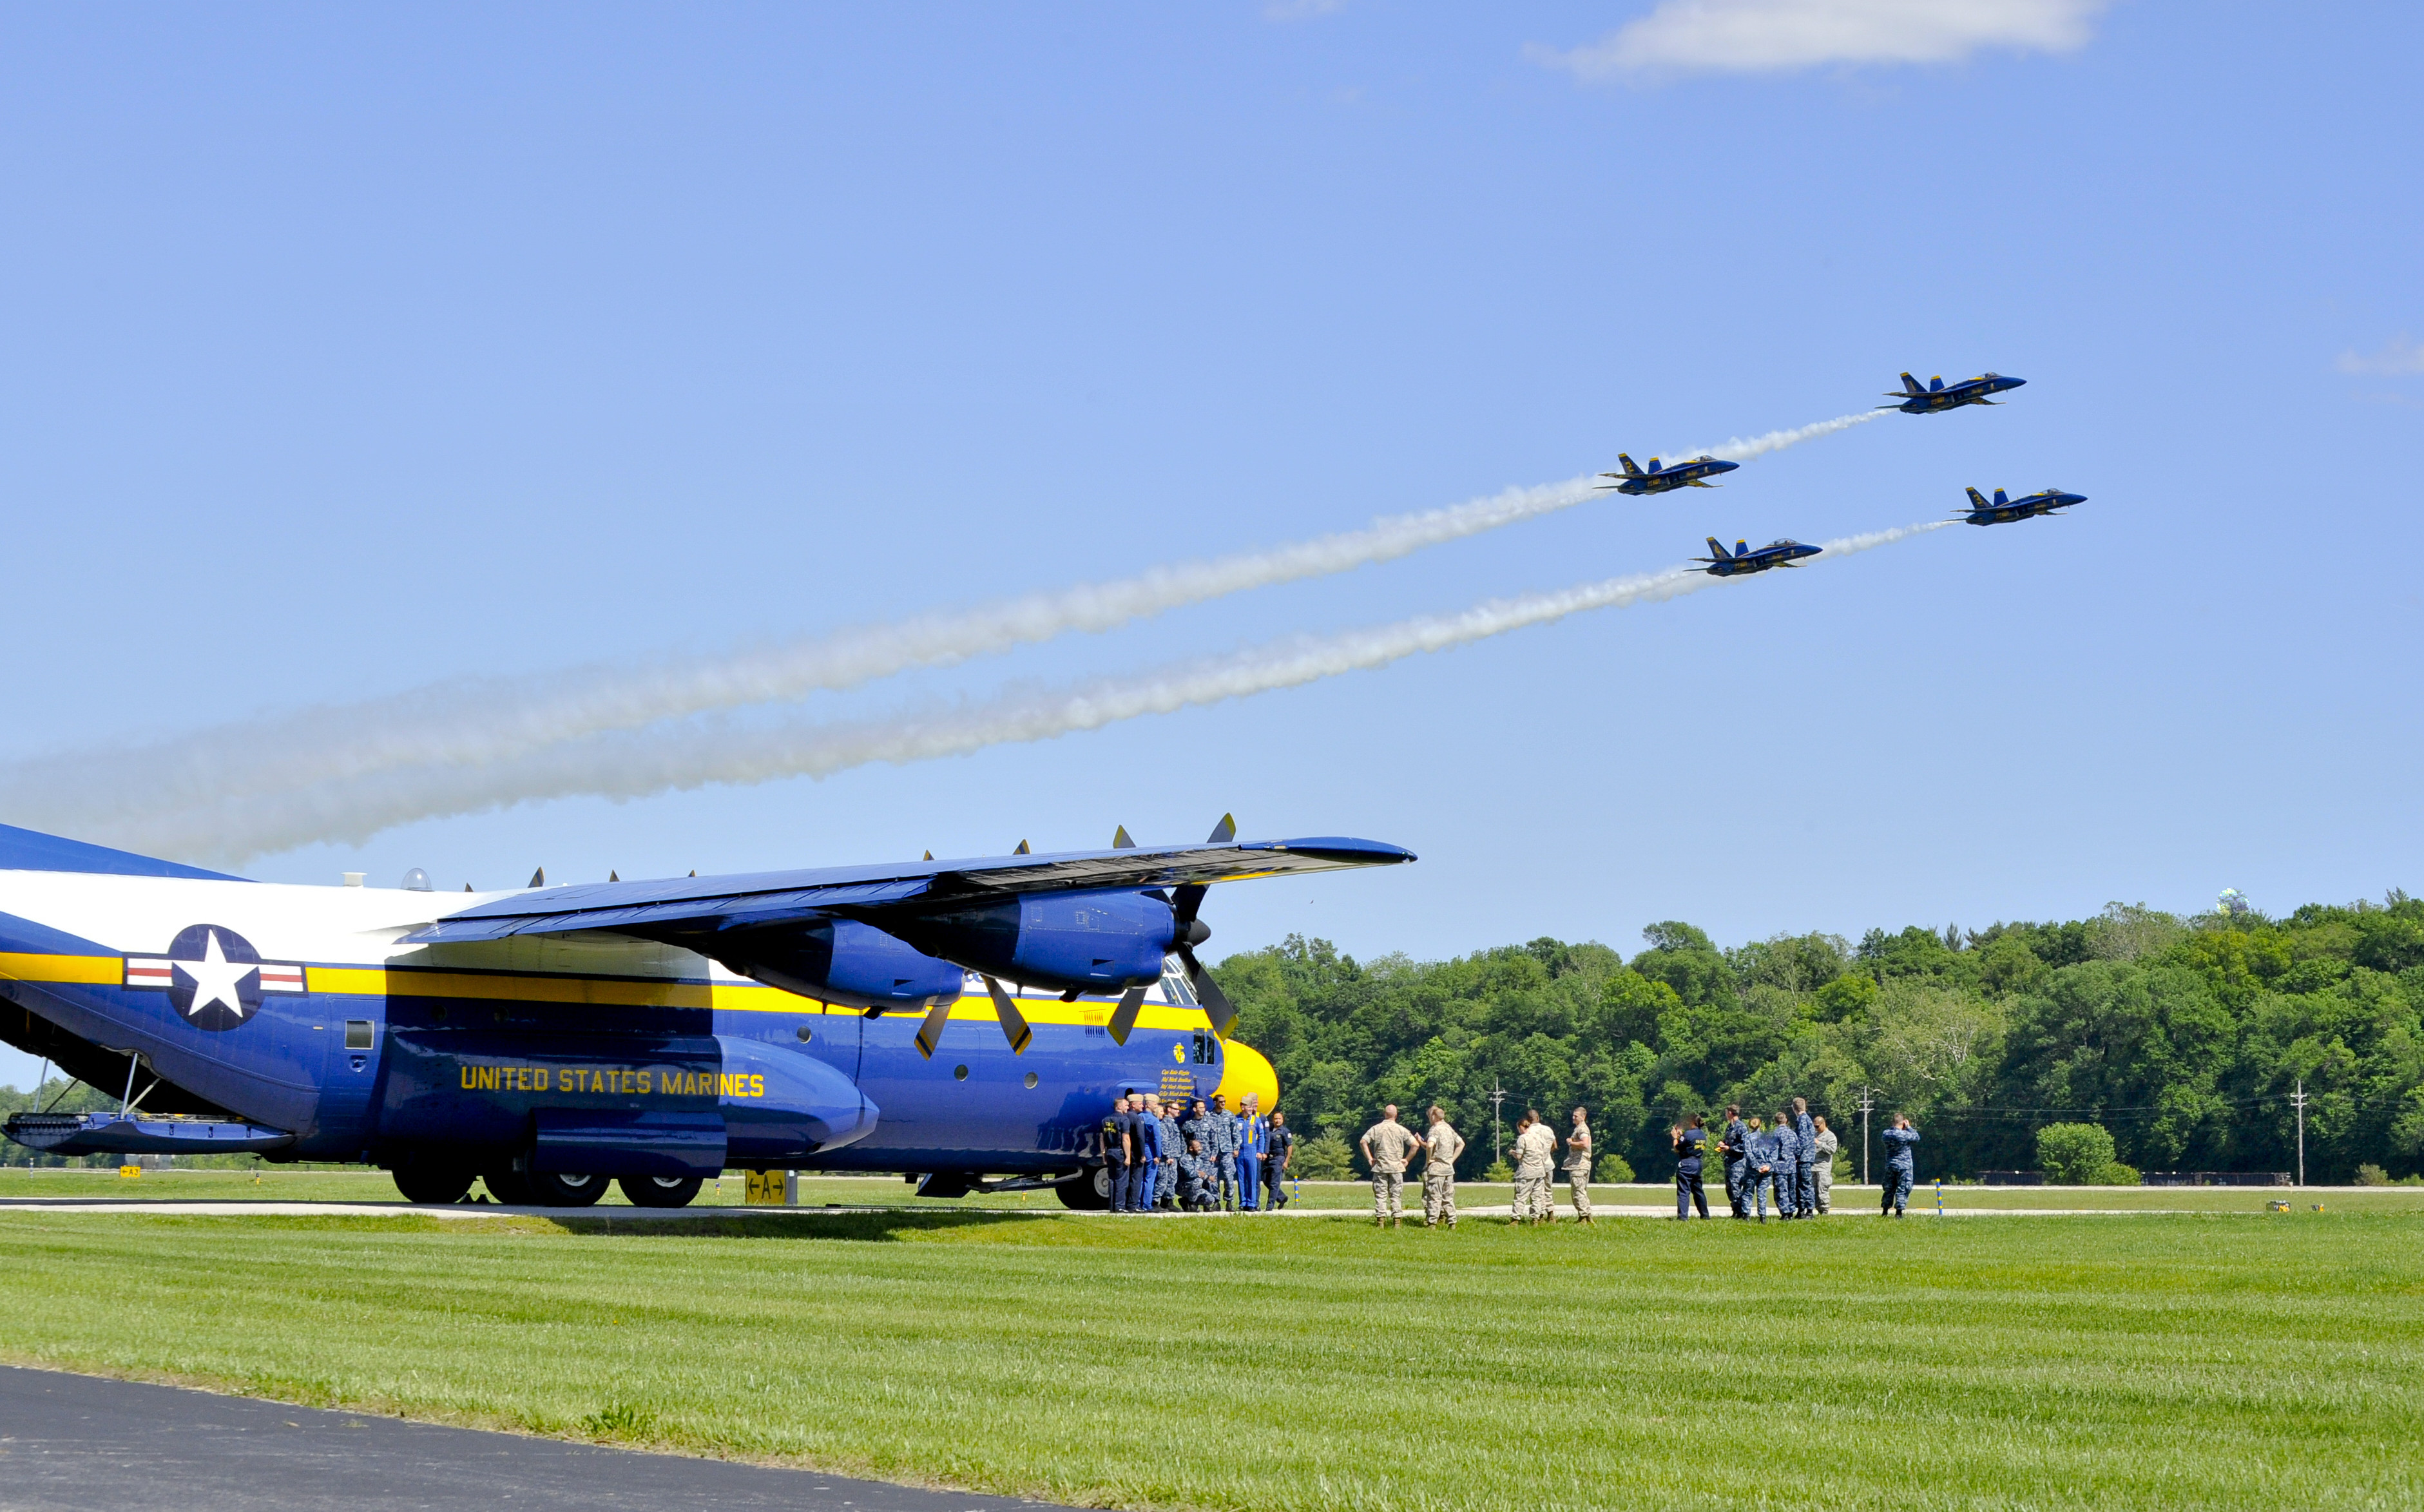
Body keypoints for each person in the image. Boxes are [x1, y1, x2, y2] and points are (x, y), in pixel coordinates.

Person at [1360, 1104, 1421, 1227]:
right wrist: (1407, 1160)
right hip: (1397, 1168)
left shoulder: (1376, 1129)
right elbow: (1416, 1145)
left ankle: (1380, 1221)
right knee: (1396, 1195)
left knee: (1381, 1195)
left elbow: (1363, 1141)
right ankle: (1397, 1221)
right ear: (1396, 1115)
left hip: (1380, 1167)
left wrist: (1370, 1158)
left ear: (1385, 1114)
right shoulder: (1401, 1130)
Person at [1420, 1104, 1464, 1229]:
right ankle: (1452, 1222)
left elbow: (1430, 1145)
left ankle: (1432, 1222)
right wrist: (1452, 1160)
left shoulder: (1435, 1130)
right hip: (1448, 1169)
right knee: (1448, 1197)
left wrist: (1429, 1160)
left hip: (1437, 1169)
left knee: (1434, 1196)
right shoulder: (1449, 1129)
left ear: (1434, 1116)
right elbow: (1461, 1144)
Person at [1512, 1109, 1558, 1225]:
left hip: (1530, 1167)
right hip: (1547, 1164)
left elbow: (1520, 1154)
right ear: (1538, 1117)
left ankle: (1536, 1217)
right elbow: (1555, 1146)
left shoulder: (1527, 1133)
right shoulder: (1548, 1129)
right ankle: (1550, 1216)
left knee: (1527, 1194)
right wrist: (1545, 1155)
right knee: (1546, 1191)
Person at [1129, 1089, 1162, 1214]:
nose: (1156, 1106)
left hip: (1139, 1149)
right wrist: (1158, 1155)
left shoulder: (1139, 1117)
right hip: (1150, 1150)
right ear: (1149, 1104)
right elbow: (1157, 1139)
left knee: (1140, 1178)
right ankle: (1147, 1204)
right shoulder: (1154, 1120)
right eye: (1155, 1104)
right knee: (1150, 1178)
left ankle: (1137, 1202)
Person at [1207, 1093, 1241, 1212]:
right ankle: (1216, 1202)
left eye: (1224, 1102)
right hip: (1213, 1153)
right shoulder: (1208, 1116)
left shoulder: (1229, 1115)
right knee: (1213, 1178)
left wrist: (1236, 1148)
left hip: (1227, 1151)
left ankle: (1229, 1202)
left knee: (1228, 1176)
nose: (1223, 1104)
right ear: (1215, 1102)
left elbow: (1236, 1134)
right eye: (1221, 1101)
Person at [1672, 1113, 1709, 1220]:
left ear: (1692, 1122)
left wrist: (1675, 1138)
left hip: (1687, 1164)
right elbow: (1689, 1142)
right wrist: (1681, 1136)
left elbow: (1677, 1148)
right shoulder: (1702, 1135)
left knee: (1684, 1191)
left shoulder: (1688, 1134)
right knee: (1698, 1191)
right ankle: (1705, 1215)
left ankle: (1683, 1217)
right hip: (1698, 1163)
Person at [1881, 1115, 1920, 1217]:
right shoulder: (1905, 1135)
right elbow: (1916, 1137)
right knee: (1903, 1188)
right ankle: (1899, 1213)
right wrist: (1909, 1127)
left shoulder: (1886, 1134)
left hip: (1891, 1164)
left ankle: (1885, 1211)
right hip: (1904, 1166)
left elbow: (1891, 1131)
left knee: (1889, 1188)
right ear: (1903, 1123)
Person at [1102, 1095, 1136, 1214]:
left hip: (1109, 1151)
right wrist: (1128, 1157)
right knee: (1122, 1180)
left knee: (1112, 1179)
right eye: (1126, 1105)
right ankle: (1120, 1206)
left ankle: (1112, 1206)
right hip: (1119, 1151)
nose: (1128, 1107)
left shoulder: (1105, 1120)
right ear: (1119, 1106)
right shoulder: (1124, 1120)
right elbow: (1125, 1139)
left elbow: (1102, 1138)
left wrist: (1104, 1154)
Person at [1769, 1107, 1803, 1221]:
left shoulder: (1775, 1134)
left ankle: (1785, 1213)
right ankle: (1791, 1210)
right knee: (1791, 1190)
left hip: (1779, 1167)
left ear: (1776, 1121)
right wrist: (1795, 1158)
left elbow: (1771, 1150)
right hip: (1791, 1166)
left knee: (1781, 1190)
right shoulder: (1792, 1133)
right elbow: (1798, 1149)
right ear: (1786, 1120)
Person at [1564, 1107, 1595, 1224]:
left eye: (1576, 1116)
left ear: (1583, 1117)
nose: (1573, 1118)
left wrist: (1571, 1143)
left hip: (1579, 1165)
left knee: (1578, 1191)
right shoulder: (1580, 1128)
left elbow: (1585, 1143)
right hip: (1581, 1164)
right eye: (1573, 1115)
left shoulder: (1582, 1129)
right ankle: (1586, 1216)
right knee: (1581, 1191)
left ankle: (1583, 1217)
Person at [1152, 1095, 1183, 1211]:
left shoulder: (1173, 1123)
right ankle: (1155, 1202)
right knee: (1163, 1179)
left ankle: (1168, 1201)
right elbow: (1164, 1141)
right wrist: (1168, 1156)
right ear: (1169, 1110)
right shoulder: (1165, 1123)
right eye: (1176, 1109)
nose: (1178, 1111)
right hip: (1167, 1158)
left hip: (1174, 1156)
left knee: (1172, 1180)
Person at [1236, 1094, 1266, 1212]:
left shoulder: (1256, 1120)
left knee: (1252, 1178)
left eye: (1251, 1107)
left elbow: (1262, 1136)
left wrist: (1260, 1151)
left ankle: (1252, 1203)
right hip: (1240, 1152)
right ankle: (1243, 1202)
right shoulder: (1236, 1119)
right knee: (1241, 1178)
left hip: (1252, 1151)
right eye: (1248, 1107)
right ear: (1242, 1107)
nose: (1250, 1109)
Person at [1744, 1114, 1777, 1221]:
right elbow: (1774, 1153)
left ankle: (1746, 1215)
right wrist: (1768, 1165)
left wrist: (1757, 1166)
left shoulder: (1748, 1138)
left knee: (1748, 1192)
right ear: (1760, 1125)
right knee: (1762, 1192)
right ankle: (1763, 1216)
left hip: (1752, 1170)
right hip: (1766, 1170)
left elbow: (1749, 1154)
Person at [1719, 1104, 1749, 1220]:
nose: (1726, 1115)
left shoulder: (1741, 1127)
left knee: (1736, 1187)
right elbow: (1728, 1140)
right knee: (1729, 1187)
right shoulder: (1729, 1127)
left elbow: (1744, 1146)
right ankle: (1735, 1210)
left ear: (1731, 1113)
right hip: (1729, 1161)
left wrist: (1730, 1149)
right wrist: (1723, 1144)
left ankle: (1741, 1211)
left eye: (1727, 1113)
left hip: (1738, 1162)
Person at [1262, 1109, 1295, 1209]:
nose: (1277, 1121)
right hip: (1268, 1159)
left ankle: (1270, 1206)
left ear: (1283, 1120)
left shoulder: (1285, 1131)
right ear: (1273, 1120)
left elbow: (1290, 1147)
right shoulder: (1269, 1130)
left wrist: (1286, 1161)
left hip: (1279, 1158)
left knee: (1274, 1183)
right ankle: (1281, 1197)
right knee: (1265, 1180)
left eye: (1279, 1119)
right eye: (1276, 1119)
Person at [1792, 1098, 1818, 1219]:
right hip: (1807, 1156)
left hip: (1804, 1157)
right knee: (1801, 1184)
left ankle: (1809, 1211)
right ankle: (1801, 1210)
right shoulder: (1807, 1119)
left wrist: (1797, 1155)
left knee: (1805, 1184)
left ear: (1794, 1108)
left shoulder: (1802, 1120)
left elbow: (1801, 1140)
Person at [1177, 1136, 1217, 1211]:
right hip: (1182, 1186)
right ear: (1191, 1148)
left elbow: (1202, 1174)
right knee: (1198, 1181)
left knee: (1210, 1199)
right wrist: (1206, 1176)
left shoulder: (1199, 1160)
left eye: (1201, 1147)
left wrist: (1204, 1176)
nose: (1200, 1149)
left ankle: (1186, 1201)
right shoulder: (1184, 1159)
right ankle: (1191, 1203)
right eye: (1198, 1147)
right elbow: (1191, 1174)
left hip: (1195, 1187)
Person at [1811, 1115, 1838, 1216]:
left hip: (1823, 1167)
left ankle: (1825, 1210)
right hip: (1812, 1167)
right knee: (1813, 1190)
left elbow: (1832, 1150)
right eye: (1814, 1126)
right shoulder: (1814, 1135)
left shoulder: (1830, 1136)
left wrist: (1819, 1143)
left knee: (1823, 1189)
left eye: (1817, 1126)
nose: (1816, 1128)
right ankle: (1818, 1208)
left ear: (1823, 1124)